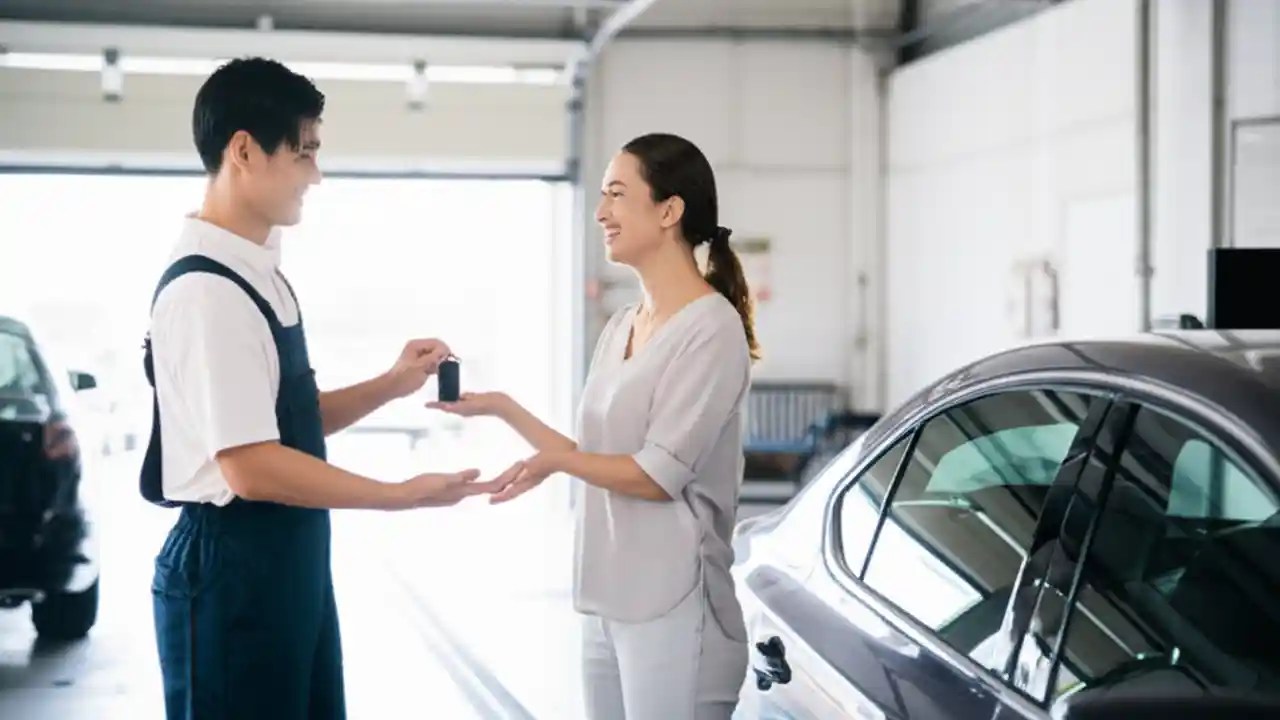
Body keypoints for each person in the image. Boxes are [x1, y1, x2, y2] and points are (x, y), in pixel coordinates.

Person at [142, 57, 502, 720]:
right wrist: (399, 496)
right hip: (232, 570)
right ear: (244, 150)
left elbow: (284, 422)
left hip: (284, 560)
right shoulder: (207, 293)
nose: (315, 175)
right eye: (303, 153)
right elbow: (250, 466)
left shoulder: (258, 274)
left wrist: (392, 384)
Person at [431, 132, 760, 720]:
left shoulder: (711, 328)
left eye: (616, 194)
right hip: (608, 601)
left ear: (669, 210)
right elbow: (598, 458)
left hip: (677, 606)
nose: (601, 212)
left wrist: (557, 462)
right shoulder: (623, 324)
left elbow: (654, 476)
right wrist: (504, 408)